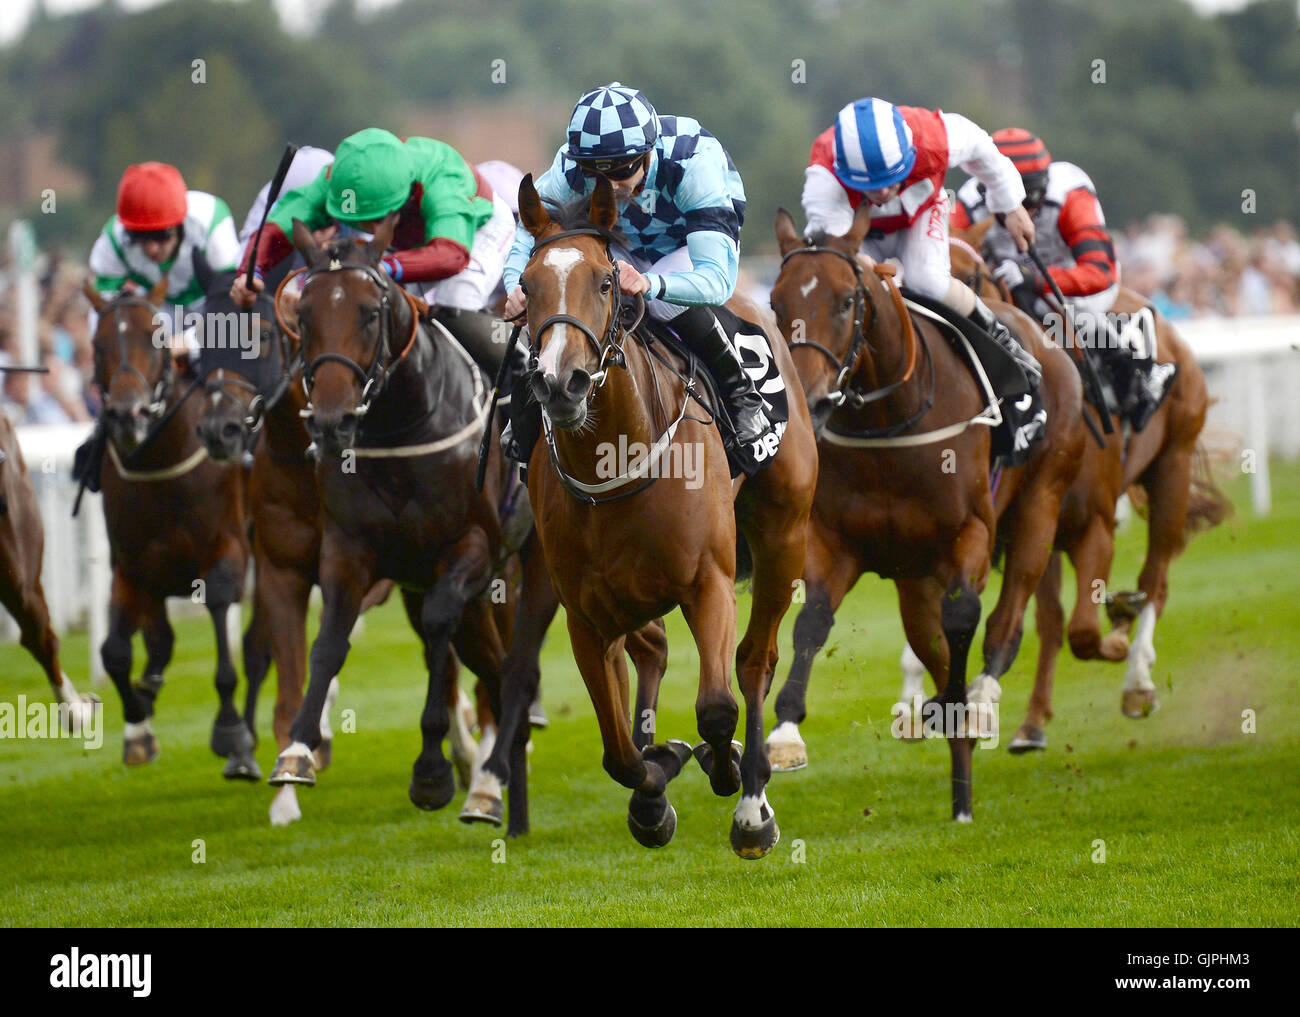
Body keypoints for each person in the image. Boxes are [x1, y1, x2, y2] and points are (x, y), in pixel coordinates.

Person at [501, 82, 773, 450]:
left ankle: (741, 394)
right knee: (564, 288)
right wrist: (516, 290)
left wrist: (651, 284)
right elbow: (527, 238)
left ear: (647, 154)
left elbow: (718, 282)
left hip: (687, 246)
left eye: (622, 171)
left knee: (662, 301)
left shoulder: (693, 163)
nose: (610, 186)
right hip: (622, 244)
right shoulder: (569, 167)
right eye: (597, 174)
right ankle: (527, 410)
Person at [803, 97, 1045, 464]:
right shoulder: (824, 173)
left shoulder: (933, 135)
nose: (884, 193)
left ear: (909, 152)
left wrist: (1009, 205)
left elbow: (985, 151)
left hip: (922, 214)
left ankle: (1000, 338)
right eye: (872, 185)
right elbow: (837, 255)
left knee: (926, 281)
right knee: (850, 289)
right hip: (857, 230)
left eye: (890, 180)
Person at [230, 128, 516, 375]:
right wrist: (250, 272)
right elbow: (278, 227)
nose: (369, 227)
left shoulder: (442, 180)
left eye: (379, 218)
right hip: (413, 242)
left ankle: (518, 379)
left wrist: (386, 267)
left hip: (476, 230)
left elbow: (451, 254)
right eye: (360, 221)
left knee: (455, 303)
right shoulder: (337, 180)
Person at [953, 128, 1176, 430]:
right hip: (1007, 279)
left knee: (1073, 318)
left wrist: (1037, 280)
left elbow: (1100, 272)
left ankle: (1140, 372)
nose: (1019, 214)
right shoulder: (968, 203)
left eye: (1025, 202)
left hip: (1074, 280)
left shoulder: (1070, 197)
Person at [88, 161, 241, 337]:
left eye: (161, 235)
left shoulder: (212, 222)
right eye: (140, 237)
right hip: (159, 308)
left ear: (180, 225)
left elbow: (233, 301)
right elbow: (101, 309)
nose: (152, 248)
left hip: (213, 305)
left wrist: (188, 344)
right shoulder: (112, 240)